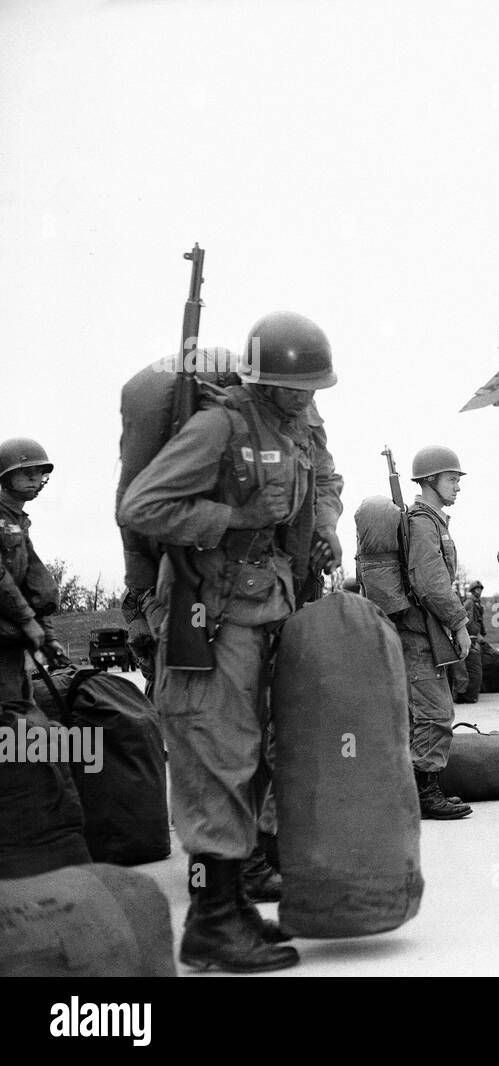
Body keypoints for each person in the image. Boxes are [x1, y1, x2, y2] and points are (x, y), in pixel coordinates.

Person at [118, 311, 344, 973]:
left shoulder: (296, 427)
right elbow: (143, 506)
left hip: (263, 611)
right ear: (261, 381)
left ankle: (233, 907)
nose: (306, 396)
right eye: (292, 385)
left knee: (245, 757)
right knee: (215, 755)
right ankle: (211, 923)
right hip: (208, 618)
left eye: (312, 387)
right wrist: (232, 519)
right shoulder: (220, 425)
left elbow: (323, 479)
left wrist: (323, 521)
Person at [393, 446, 475, 819]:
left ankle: (421, 791)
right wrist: (459, 624)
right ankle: (425, 795)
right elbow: (429, 582)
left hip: (424, 631)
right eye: (452, 479)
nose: (458, 486)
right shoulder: (422, 522)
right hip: (418, 634)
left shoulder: (431, 520)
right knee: (435, 713)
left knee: (426, 711)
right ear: (430, 480)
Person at [0, 438, 66, 711]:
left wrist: (48, 637)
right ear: (5, 476)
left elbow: (36, 585)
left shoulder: (18, 522)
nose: (35, 478)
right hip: (7, 636)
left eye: (39, 473)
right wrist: (27, 621)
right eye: (26, 472)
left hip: (10, 640)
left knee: (20, 710)